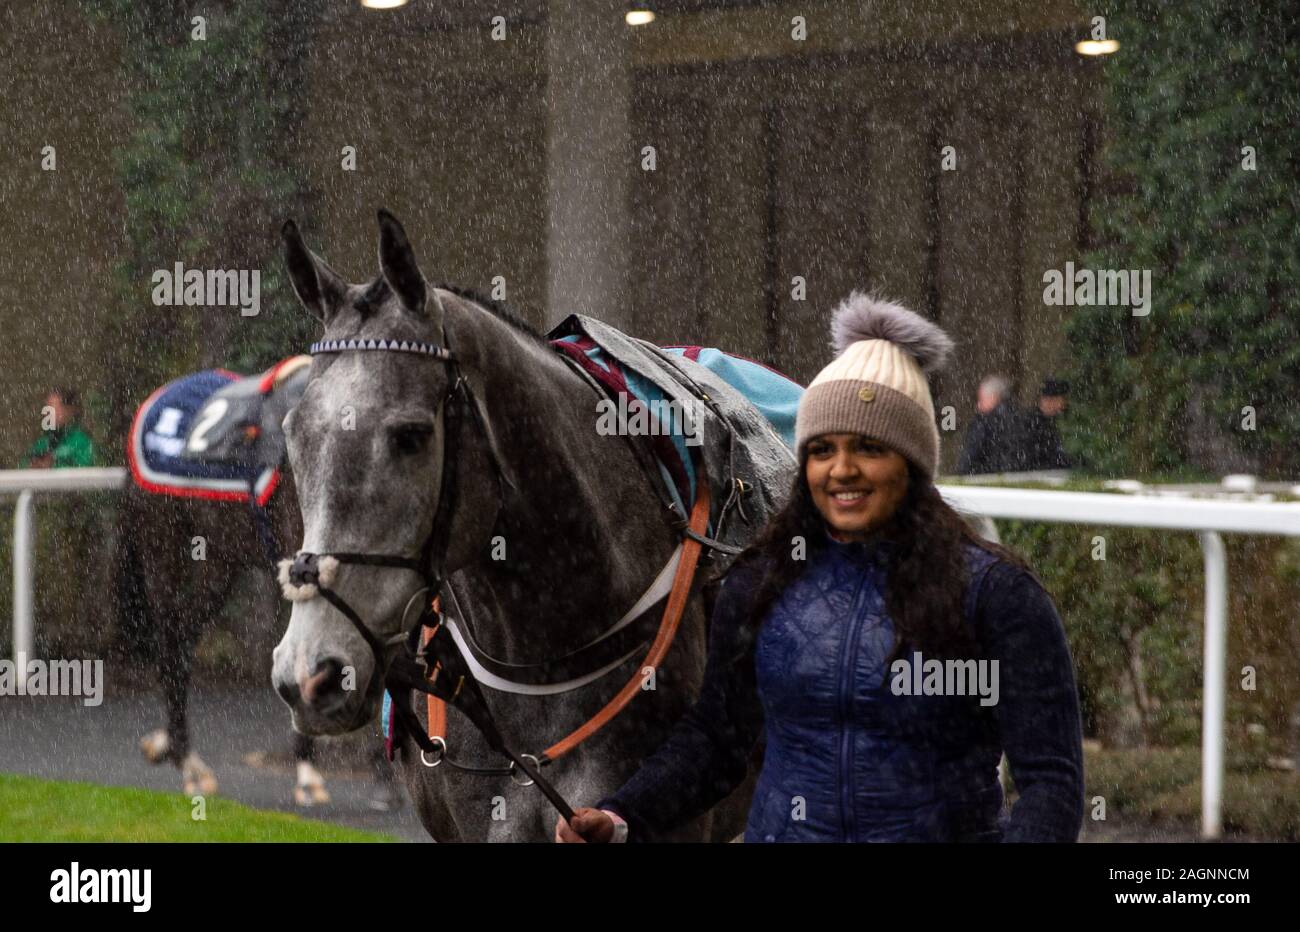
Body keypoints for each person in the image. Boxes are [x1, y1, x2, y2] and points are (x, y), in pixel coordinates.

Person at [556, 292, 1084, 843]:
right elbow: (716, 742)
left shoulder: (1000, 596)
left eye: (868, 448)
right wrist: (621, 817)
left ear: (913, 463)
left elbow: (1051, 785)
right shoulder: (760, 580)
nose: (842, 470)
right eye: (822, 449)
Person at [955, 375, 1028, 475]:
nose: (978, 405)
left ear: (993, 397)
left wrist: (963, 471)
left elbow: (970, 456)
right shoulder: (1019, 418)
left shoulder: (984, 422)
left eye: (981, 399)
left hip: (984, 480)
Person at [22, 386, 97, 469]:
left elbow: (84, 471)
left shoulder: (82, 441)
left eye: (53, 408)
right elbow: (21, 467)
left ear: (69, 410)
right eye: (46, 408)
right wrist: (32, 467)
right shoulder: (43, 441)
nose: (47, 413)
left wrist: (52, 466)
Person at [1021, 377, 1071, 471]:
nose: (1049, 404)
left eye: (1054, 399)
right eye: (1046, 399)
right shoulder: (1030, 422)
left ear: (1064, 401)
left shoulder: (1070, 422)